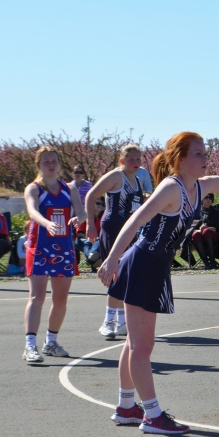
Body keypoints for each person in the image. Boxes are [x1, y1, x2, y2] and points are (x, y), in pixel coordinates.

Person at [97, 132, 219, 436]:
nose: (206, 159)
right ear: (181, 159)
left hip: (155, 266)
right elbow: (134, 222)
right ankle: (152, 415)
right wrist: (111, 259)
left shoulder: (201, 186)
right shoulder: (169, 188)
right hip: (142, 264)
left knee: (134, 344)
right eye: (199, 154)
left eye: (206, 153)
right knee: (141, 346)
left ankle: (126, 407)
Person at [22, 146, 85, 363]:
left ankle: (51, 342)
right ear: (38, 165)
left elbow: (82, 210)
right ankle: (30, 345)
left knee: (60, 299)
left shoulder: (69, 189)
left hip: (64, 247)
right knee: (37, 296)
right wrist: (47, 223)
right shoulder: (34, 188)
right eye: (46, 161)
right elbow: (32, 211)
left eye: (54, 161)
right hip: (39, 247)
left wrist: (80, 218)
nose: (51, 165)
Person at [86, 144, 146, 340]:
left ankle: (121, 322)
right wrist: (90, 224)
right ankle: (108, 321)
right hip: (113, 229)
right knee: (116, 275)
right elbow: (90, 195)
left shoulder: (138, 181)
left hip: (130, 233)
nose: (135, 163)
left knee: (127, 276)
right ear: (122, 161)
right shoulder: (116, 176)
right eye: (131, 159)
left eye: (138, 159)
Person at [190, 192, 219, 269]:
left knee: (207, 232)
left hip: (215, 237)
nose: (208, 199)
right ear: (201, 200)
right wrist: (199, 229)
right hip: (200, 236)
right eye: (206, 197)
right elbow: (192, 227)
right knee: (195, 234)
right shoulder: (196, 213)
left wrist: (210, 228)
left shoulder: (217, 212)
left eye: (210, 198)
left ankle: (212, 262)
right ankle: (206, 263)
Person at [74, 197, 104, 270]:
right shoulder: (85, 215)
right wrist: (89, 238)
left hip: (97, 241)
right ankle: (92, 258)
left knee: (100, 240)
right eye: (98, 203)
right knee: (87, 243)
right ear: (91, 204)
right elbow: (79, 233)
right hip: (82, 240)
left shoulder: (104, 217)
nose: (100, 206)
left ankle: (91, 259)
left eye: (103, 204)